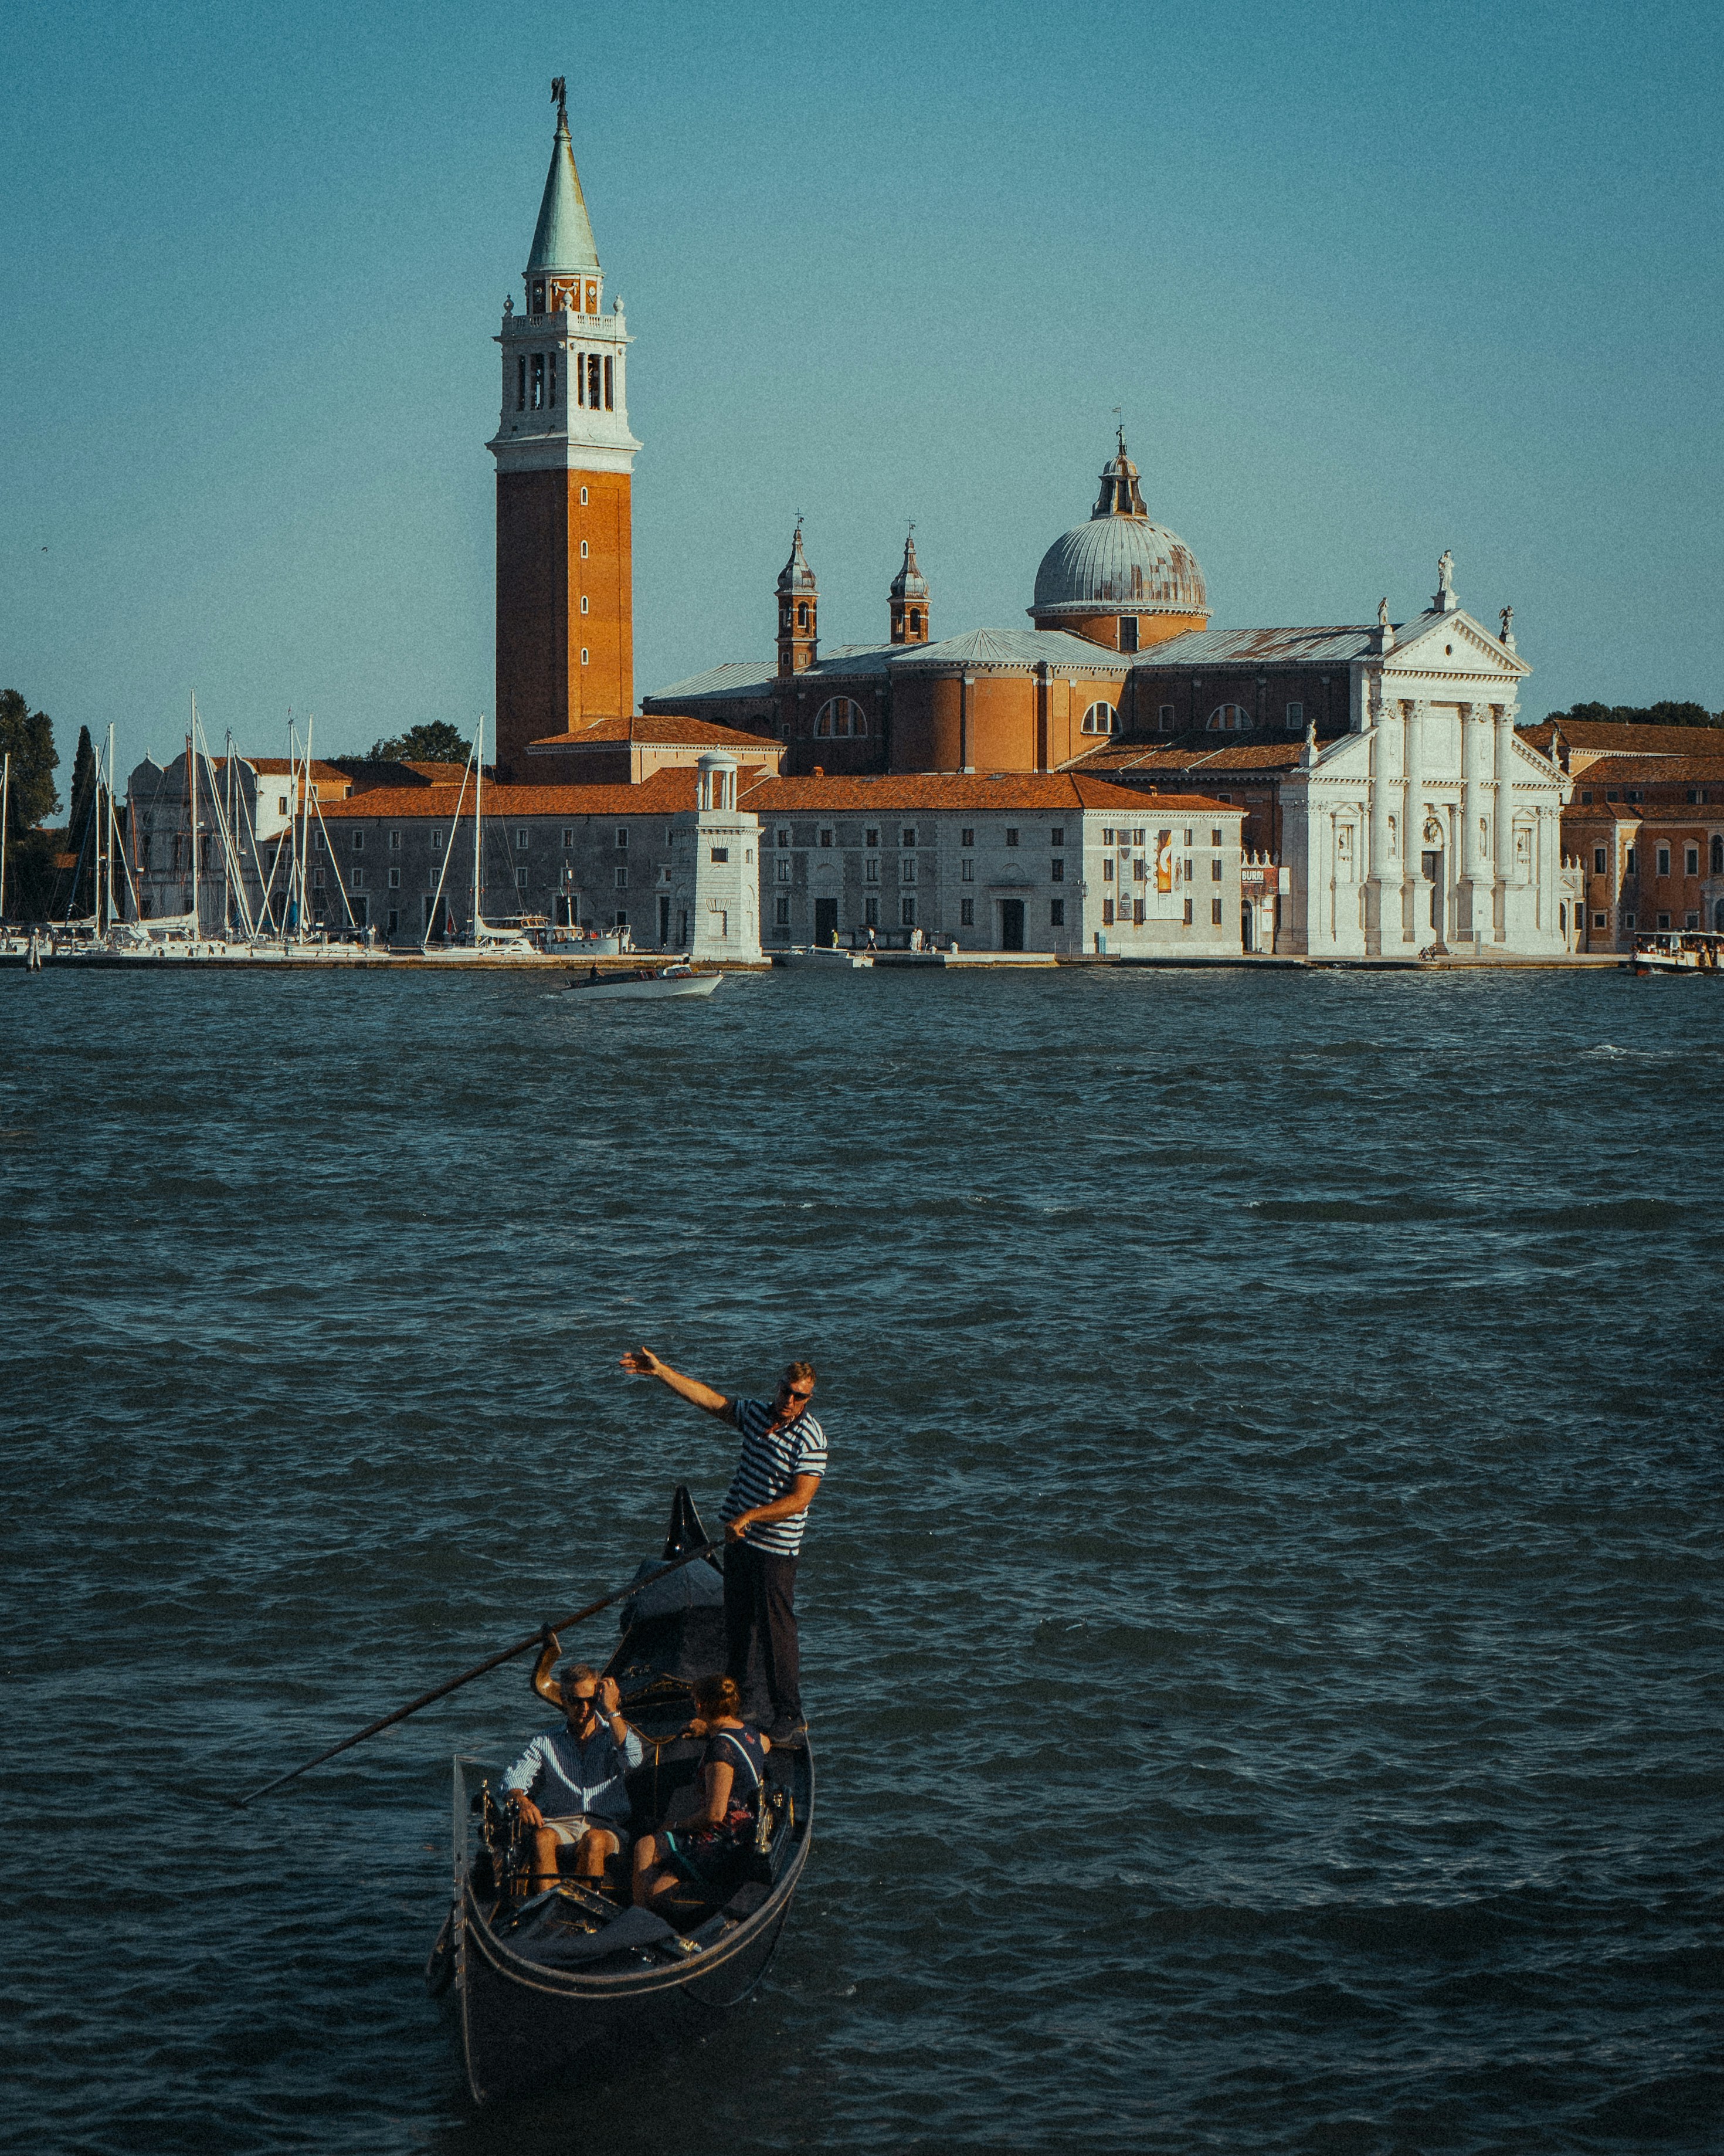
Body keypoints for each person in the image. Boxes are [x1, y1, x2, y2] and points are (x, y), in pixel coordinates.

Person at [618, 1350, 826, 1745]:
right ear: (778, 1386)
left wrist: (749, 1518)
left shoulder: (811, 1438)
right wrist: (661, 1371)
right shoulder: (757, 1414)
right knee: (738, 1624)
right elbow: (710, 1400)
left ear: (808, 1399)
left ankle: (788, 1715)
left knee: (777, 1632)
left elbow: (799, 1500)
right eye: (787, 1391)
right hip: (741, 1543)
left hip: (775, 1552)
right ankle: (738, 1700)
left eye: (800, 1396)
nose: (791, 1401)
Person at [502, 1662, 643, 1897]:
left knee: (593, 1840)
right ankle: (548, 1906)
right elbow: (513, 1778)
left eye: (591, 1701)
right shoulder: (546, 1740)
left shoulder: (613, 1734)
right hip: (560, 1823)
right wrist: (521, 1800)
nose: (585, 1708)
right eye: (576, 1701)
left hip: (606, 1826)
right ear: (563, 1700)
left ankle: (582, 1908)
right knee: (541, 1838)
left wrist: (612, 1711)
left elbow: (634, 1759)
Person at [632, 1674, 768, 1910]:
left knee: (645, 1847)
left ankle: (639, 1917)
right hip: (745, 1832)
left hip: (722, 1842)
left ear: (700, 1706)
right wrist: (709, 1730)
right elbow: (766, 1744)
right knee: (653, 1863)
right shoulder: (751, 1734)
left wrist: (673, 1825)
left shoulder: (720, 1749)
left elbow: (715, 1814)